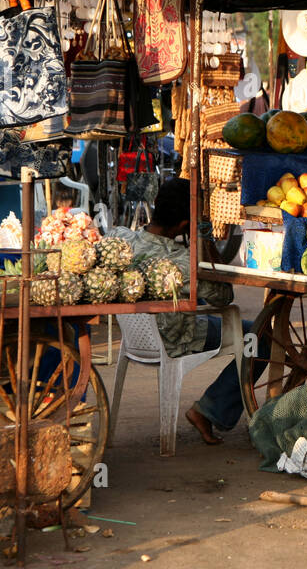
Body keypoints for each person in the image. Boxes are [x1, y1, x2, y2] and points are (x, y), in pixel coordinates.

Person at [106, 177, 260, 444]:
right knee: (258, 337)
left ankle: (212, 409)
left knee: (200, 305)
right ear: (184, 225)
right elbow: (224, 297)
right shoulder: (182, 262)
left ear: (155, 204)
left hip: (136, 336)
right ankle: (210, 411)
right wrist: (206, 242)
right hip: (178, 336)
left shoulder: (120, 239)